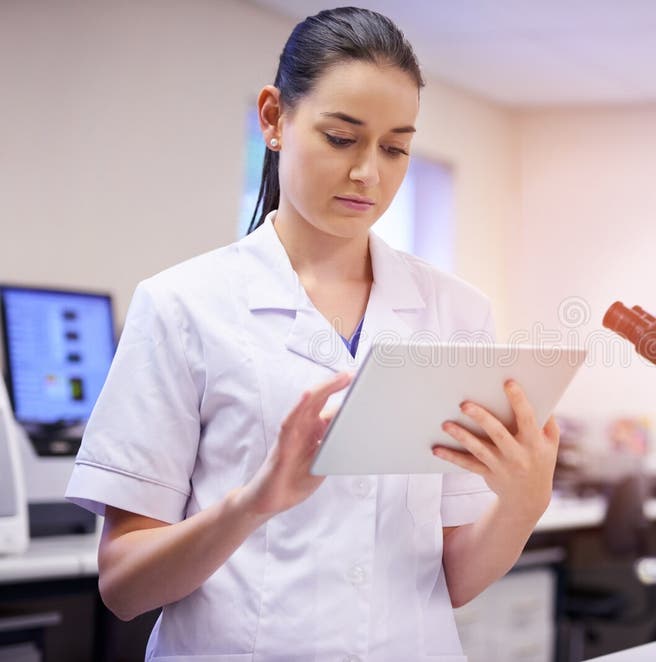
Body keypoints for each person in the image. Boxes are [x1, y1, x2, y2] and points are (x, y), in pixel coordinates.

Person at [64, 7, 559, 661]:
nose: (368, 174)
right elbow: (125, 586)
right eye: (341, 138)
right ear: (274, 118)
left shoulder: (457, 313)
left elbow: (455, 579)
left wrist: (523, 503)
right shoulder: (183, 306)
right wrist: (254, 503)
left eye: (394, 147)